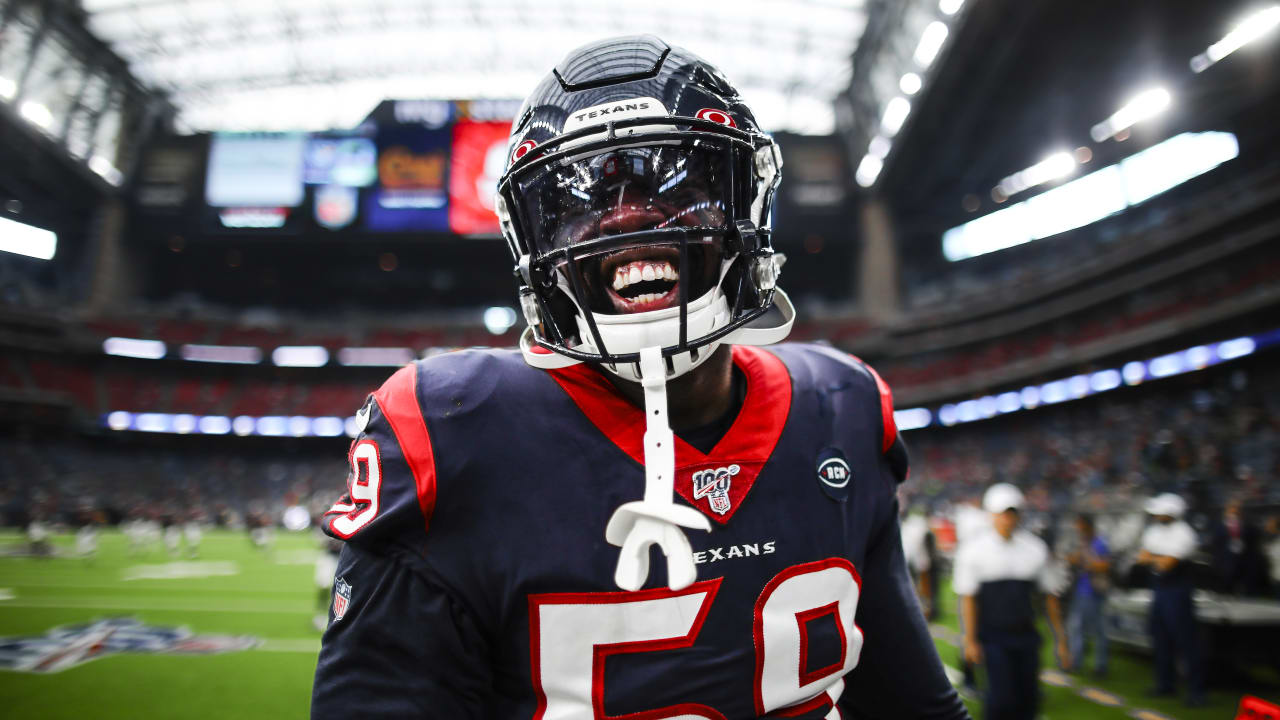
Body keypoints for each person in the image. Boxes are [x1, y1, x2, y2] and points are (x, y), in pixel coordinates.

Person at [311, 35, 968, 720]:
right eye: (580, 202)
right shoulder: (449, 430)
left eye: (678, 185)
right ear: (535, 245)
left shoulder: (842, 405)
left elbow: (914, 708)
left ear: (746, 204)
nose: (628, 214)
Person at [954, 483, 1069, 720]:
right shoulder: (973, 550)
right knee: (1000, 700)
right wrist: (970, 640)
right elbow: (968, 599)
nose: (1007, 519)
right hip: (993, 635)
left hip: (1026, 634)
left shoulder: (1035, 549)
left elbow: (1050, 597)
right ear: (991, 515)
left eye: (1012, 513)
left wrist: (1061, 640)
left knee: (1028, 699)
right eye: (1002, 513)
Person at [1136, 492, 1205, 706]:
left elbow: (1167, 564)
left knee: (1186, 640)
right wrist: (1159, 558)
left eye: (1160, 512)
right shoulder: (1154, 530)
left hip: (1178, 589)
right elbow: (1143, 558)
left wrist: (1155, 558)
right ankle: (1165, 684)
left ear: (1172, 513)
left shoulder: (1184, 533)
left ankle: (1196, 691)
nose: (1156, 515)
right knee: (1160, 638)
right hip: (1159, 588)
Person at [1065, 513, 1109, 677]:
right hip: (1081, 590)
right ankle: (1077, 661)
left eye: (1079, 524)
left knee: (1097, 630)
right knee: (1076, 627)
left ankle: (1100, 666)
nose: (1077, 528)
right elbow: (1076, 559)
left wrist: (1085, 562)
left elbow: (1105, 565)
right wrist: (1073, 560)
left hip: (1094, 591)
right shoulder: (1083, 542)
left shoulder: (1099, 542)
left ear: (1086, 525)